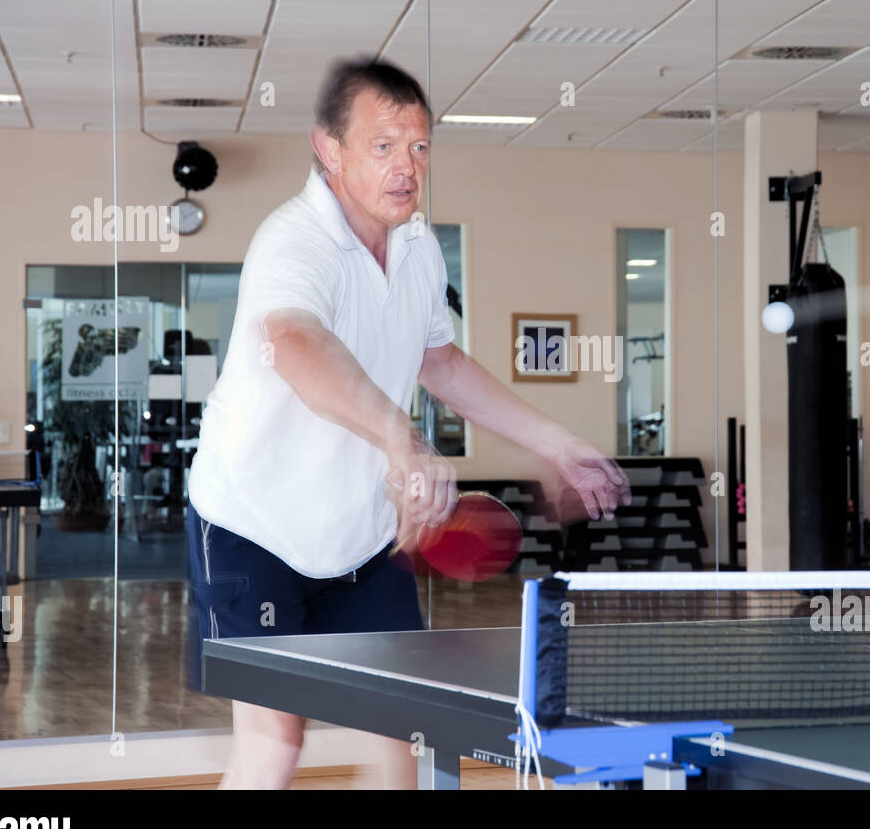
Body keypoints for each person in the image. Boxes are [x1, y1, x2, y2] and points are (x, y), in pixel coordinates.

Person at [186, 57, 630, 790]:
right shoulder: (293, 240)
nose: (407, 165)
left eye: (420, 146)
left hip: (360, 538)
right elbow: (297, 345)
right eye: (384, 145)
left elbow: (443, 363)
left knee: (404, 728)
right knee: (275, 740)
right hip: (250, 527)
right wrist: (403, 440)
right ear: (328, 149)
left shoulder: (420, 248)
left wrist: (558, 442)